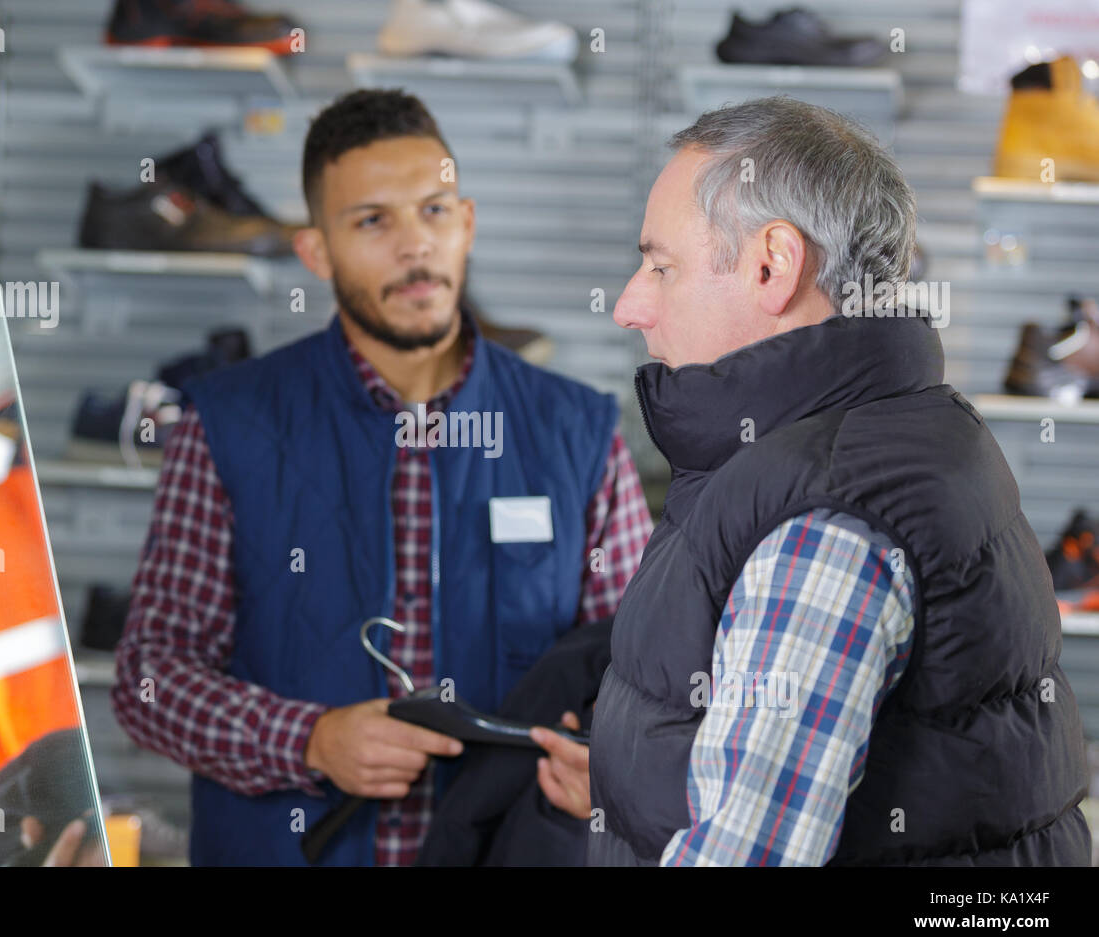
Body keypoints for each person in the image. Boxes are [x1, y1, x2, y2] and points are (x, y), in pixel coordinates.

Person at [111, 88, 654, 866]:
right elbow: (148, 679)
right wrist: (309, 741)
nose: (414, 247)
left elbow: (636, 674)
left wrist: (611, 761)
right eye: (373, 221)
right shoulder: (227, 426)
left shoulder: (578, 434)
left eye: (434, 211)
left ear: (466, 223)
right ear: (316, 252)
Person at [589, 97, 1092, 866]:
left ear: (773, 265)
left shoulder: (824, 518)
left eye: (662, 265)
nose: (629, 304)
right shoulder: (910, 430)